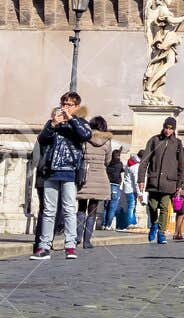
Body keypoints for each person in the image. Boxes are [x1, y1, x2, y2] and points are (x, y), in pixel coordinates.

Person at [34, 92, 92, 260]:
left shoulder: (80, 123)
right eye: (64, 103)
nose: (66, 107)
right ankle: (44, 246)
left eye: (70, 104)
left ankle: (70, 245)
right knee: (49, 210)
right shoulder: (53, 123)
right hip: (51, 170)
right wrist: (53, 124)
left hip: (69, 170)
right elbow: (42, 139)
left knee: (69, 209)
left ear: (76, 107)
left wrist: (71, 119)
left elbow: (85, 136)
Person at [138, 116, 184, 246]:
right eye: (166, 127)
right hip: (154, 181)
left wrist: (180, 184)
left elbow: (181, 165)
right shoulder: (154, 140)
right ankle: (154, 224)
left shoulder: (177, 143)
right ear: (163, 127)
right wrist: (141, 179)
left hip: (169, 182)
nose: (168, 131)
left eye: (171, 129)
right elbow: (144, 161)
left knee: (165, 207)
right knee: (152, 206)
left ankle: (161, 232)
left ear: (174, 130)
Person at [76, 114, 114, 251]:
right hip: (100, 178)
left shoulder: (84, 139)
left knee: (81, 208)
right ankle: (87, 241)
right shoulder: (107, 142)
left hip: (84, 177)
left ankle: (77, 237)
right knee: (92, 211)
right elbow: (108, 161)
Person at [102, 146, 124, 230]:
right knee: (113, 206)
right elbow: (121, 171)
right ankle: (108, 225)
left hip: (107, 184)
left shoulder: (108, 163)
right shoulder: (119, 164)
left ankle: (103, 224)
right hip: (115, 185)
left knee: (106, 206)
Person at [119, 155, 140, 228]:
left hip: (128, 188)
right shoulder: (135, 167)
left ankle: (132, 222)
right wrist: (139, 192)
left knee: (132, 206)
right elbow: (136, 181)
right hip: (131, 189)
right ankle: (130, 223)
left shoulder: (130, 163)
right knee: (131, 206)